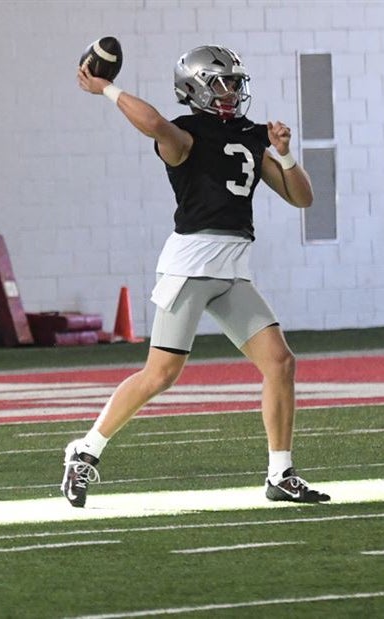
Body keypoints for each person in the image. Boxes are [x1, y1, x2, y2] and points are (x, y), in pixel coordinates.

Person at [63, 45, 329, 507]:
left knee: (281, 363)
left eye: (234, 83)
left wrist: (285, 155)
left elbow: (302, 198)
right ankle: (84, 451)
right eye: (221, 83)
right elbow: (152, 124)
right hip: (190, 264)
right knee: (160, 374)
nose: (231, 92)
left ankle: (280, 472)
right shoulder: (184, 134)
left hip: (232, 267)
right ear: (194, 88)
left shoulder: (250, 133)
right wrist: (107, 87)